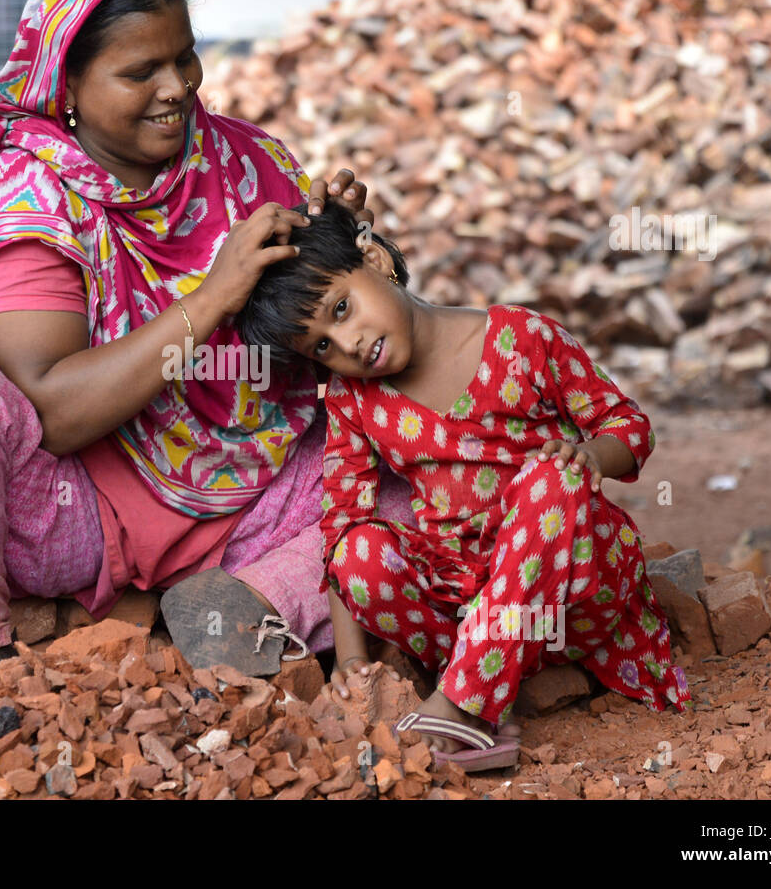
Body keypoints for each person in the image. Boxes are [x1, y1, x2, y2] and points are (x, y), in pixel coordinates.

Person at [0, 0, 383, 694]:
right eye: (140, 73)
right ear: (67, 79)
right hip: (72, 518)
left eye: (185, 59)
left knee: (421, 449)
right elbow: (53, 413)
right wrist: (211, 299)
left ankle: (243, 610)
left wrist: (352, 264)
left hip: (256, 500)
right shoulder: (26, 197)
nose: (178, 89)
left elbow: (328, 337)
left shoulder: (252, 164)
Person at [237, 200, 690, 769]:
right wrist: (350, 664)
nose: (347, 343)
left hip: (574, 592)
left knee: (552, 479)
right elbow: (342, 521)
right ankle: (486, 681)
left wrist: (587, 454)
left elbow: (628, 426)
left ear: (374, 259)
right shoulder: (354, 400)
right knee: (359, 553)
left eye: (342, 308)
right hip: (464, 613)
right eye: (322, 346)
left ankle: (462, 707)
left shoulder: (522, 337)